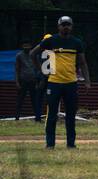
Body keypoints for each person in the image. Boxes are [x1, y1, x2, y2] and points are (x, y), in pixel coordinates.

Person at [32, 17, 90, 149]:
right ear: (58, 27)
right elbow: (32, 54)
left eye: (68, 25)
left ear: (72, 26)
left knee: (71, 115)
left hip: (71, 83)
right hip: (54, 83)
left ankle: (71, 144)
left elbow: (82, 63)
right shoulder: (51, 41)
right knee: (52, 115)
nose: (66, 27)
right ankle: (50, 144)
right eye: (63, 25)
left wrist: (87, 82)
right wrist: (42, 70)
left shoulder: (77, 43)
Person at [14, 40, 44, 122]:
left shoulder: (34, 55)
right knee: (20, 100)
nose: (26, 47)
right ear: (22, 46)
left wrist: (40, 79)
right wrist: (17, 82)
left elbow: (38, 67)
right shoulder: (19, 56)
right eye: (25, 46)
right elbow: (17, 69)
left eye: (28, 46)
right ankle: (17, 117)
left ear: (31, 46)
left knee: (35, 100)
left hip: (33, 80)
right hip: (23, 80)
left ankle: (37, 118)